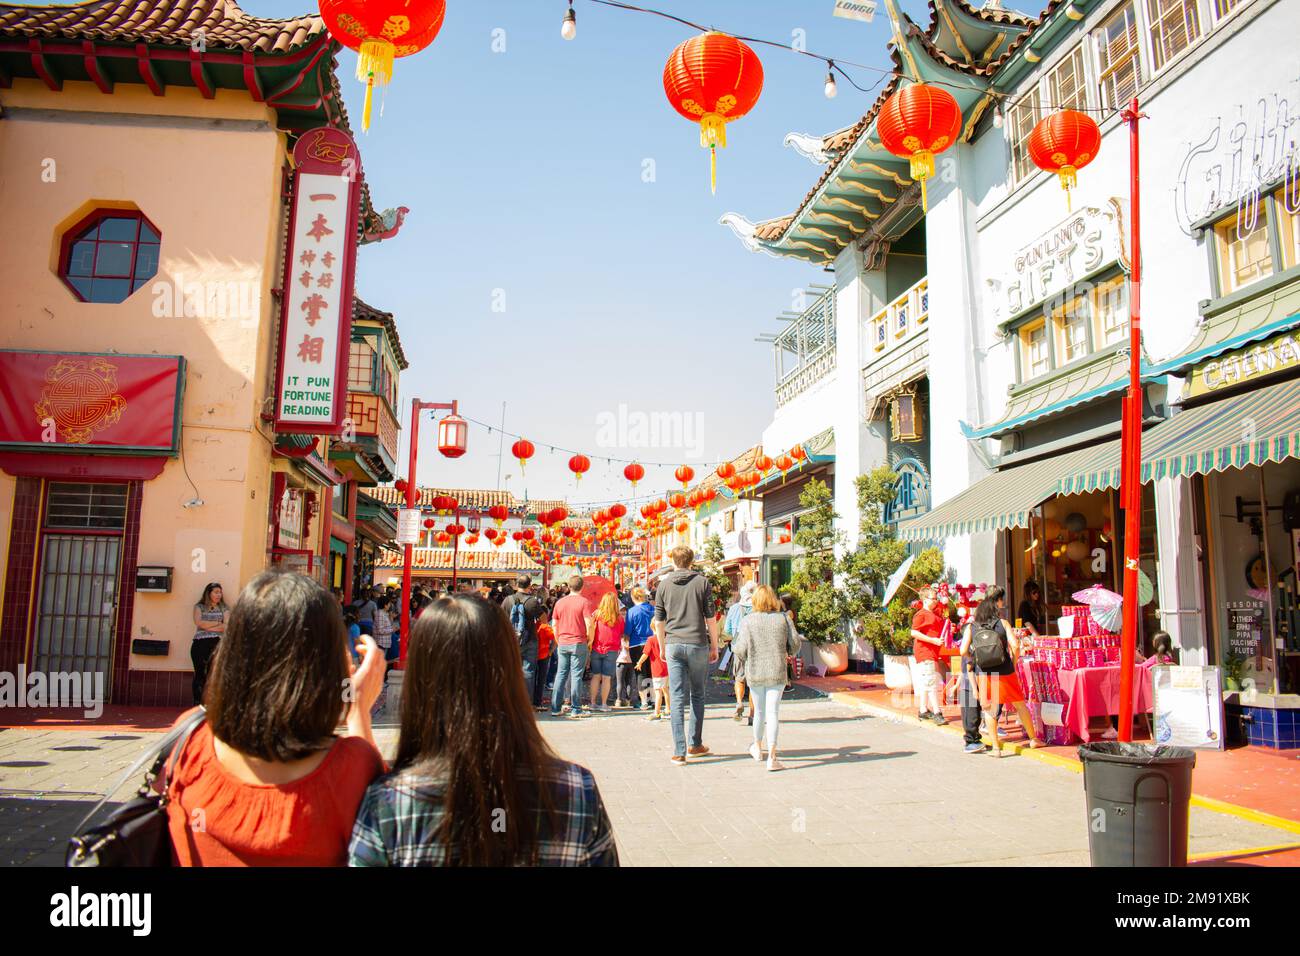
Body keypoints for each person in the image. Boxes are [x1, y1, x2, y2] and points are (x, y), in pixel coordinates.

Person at [349, 593, 618, 866]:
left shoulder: (391, 804)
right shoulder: (576, 791)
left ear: (420, 679)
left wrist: (357, 712)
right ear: (509, 668)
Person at [166, 570, 386, 865]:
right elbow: (387, 830)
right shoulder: (354, 766)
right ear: (324, 661)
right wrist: (357, 711)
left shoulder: (188, 737)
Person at [653, 546, 718, 764]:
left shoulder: (663, 585)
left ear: (673, 560)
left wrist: (662, 646)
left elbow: (659, 621)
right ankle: (695, 743)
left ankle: (679, 750)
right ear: (691, 561)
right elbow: (711, 617)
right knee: (697, 694)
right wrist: (715, 645)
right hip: (697, 642)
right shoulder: (702, 583)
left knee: (677, 695)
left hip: (673, 643)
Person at [960, 585, 1042, 757]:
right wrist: (1013, 661)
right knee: (1020, 705)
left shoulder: (971, 626)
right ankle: (1034, 739)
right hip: (1006, 671)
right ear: (996, 605)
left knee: (990, 710)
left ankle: (996, 748)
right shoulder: (1003, 623)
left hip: (985, 673)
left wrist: (974, 659)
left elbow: (962, 651)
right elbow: (1015, 645)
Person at [732, 585, 802, 771]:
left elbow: (739, 649)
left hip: (755, 671)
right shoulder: (784, 619)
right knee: (773, 713)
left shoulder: (748, 620)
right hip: (777, 671)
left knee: (759, 713)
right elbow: (795, 645)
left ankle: (757, 747)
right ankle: (772, 756)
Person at [550, 576, 594, 719]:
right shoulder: (584, 602)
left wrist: (557, 639)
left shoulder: (560, 602)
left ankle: (556, 707)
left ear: (569, 586)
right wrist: (590, 639)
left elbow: (554, 624)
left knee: (561, 674)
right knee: (576, 676)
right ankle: (576, 708)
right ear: (582, 587)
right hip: (578, 641)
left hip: (563, 641)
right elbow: (589, 624)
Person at [502, 575, 545, 702]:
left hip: (510, 639)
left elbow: (501, 618)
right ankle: (525, 701)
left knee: (510, 669)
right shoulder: (532, 601)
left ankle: (509, 698)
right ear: (529, 586)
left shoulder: (507, 600)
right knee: (528, 671)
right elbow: (543, 619)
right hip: (529, 638)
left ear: (516, 585)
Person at [910, 586, 947, 725]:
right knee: (931, 680)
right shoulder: (921, 614)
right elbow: (914, 632)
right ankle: (937, 712)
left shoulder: (933, 613)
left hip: (931, 651)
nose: (936, 601)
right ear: (925, 599)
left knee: (927, 680)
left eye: (936, 598)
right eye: (933, 598)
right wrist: (933, 640)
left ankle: (923, 710)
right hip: (924, 651)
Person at [724, 581, 757, 723]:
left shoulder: (734, 609)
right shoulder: (759, 609)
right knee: (754, 683)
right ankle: (752, 714)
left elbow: (728, 631)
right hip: (756, 648)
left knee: (739, 678)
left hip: (738, 647)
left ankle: (739, 702)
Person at [191, 582, 229, 706]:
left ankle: (211, 703)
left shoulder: (224, 607)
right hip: (200, 643)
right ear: (209, 593)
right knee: (200, 673)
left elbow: (226, 626)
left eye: (220, 592)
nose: (219, 595)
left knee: (214, 674)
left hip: (217, 644)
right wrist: (218, 623)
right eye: (216, 592)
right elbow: (198, 622)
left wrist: (208, 625)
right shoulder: (199, 607)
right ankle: (198, 702)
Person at [620, 586, 654, 709]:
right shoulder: (652, 609)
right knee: (651, 672)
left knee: (640, 673)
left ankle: (643, 701)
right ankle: (652, 699)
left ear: (633, 597)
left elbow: (628, 631)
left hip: (636, 643)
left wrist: (625, 644)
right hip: (652, 642)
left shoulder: (632, 611)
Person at [589, 592, 624, 712]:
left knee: (595, 676)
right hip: (612, 650)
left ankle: (593, 703)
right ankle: (604, 704)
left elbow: (590, 628)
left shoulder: (597, 615)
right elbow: (621, 633)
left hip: (596, 648)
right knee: (606, 678)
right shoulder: (618, 618)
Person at [635, 630, 669, 721]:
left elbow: (645, 654)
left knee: (658, 692)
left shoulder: (651, 639)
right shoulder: (667, 637)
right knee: (666, 690)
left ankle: (656, 712)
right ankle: (668, 709)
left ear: (652, 627)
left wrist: (639, 662)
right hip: (667, 668)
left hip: (657, 669)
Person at [535, 614, 556, 711]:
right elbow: (556, 637)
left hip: (532, 656)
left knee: (531, 678)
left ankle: (531, 699)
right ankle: (538, 701)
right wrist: (551, 650)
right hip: (543, 655)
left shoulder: (533, 626)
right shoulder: (545, 627)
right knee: (540, 680)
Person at [373, 595, 396, 662]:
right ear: (385, 605)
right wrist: (392, 630)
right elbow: (380, 630)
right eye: (389, 604)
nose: (389, 605)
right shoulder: (380, 614)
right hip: (381, 643)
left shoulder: (384, 613)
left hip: (384, 643)